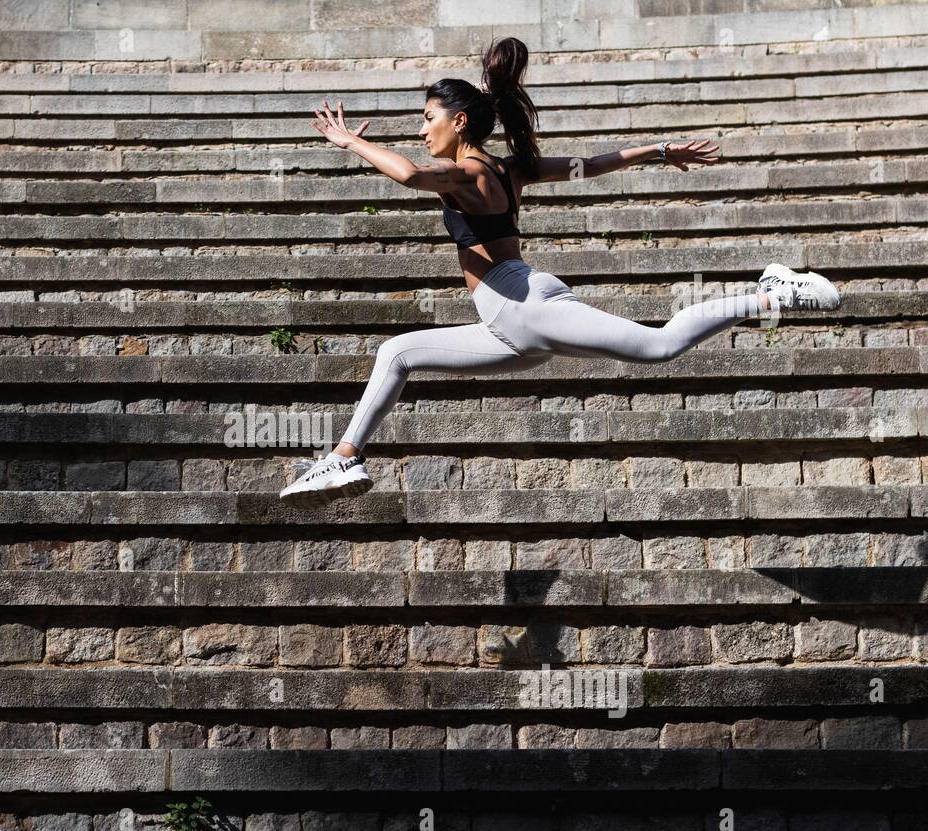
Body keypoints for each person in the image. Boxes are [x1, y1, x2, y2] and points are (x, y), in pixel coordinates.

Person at [279, 35, 839, 508]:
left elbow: (407, 176)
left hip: (522, 306)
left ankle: (770, 293)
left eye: (429, 119)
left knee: (660, 346)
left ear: (460, 120)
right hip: (510, 325)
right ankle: (341, 461)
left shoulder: (465, 174)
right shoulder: (509, 167)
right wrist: (660, 150)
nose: (424, 131)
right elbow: (589, 166)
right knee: (395, 354)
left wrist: (351, 140)